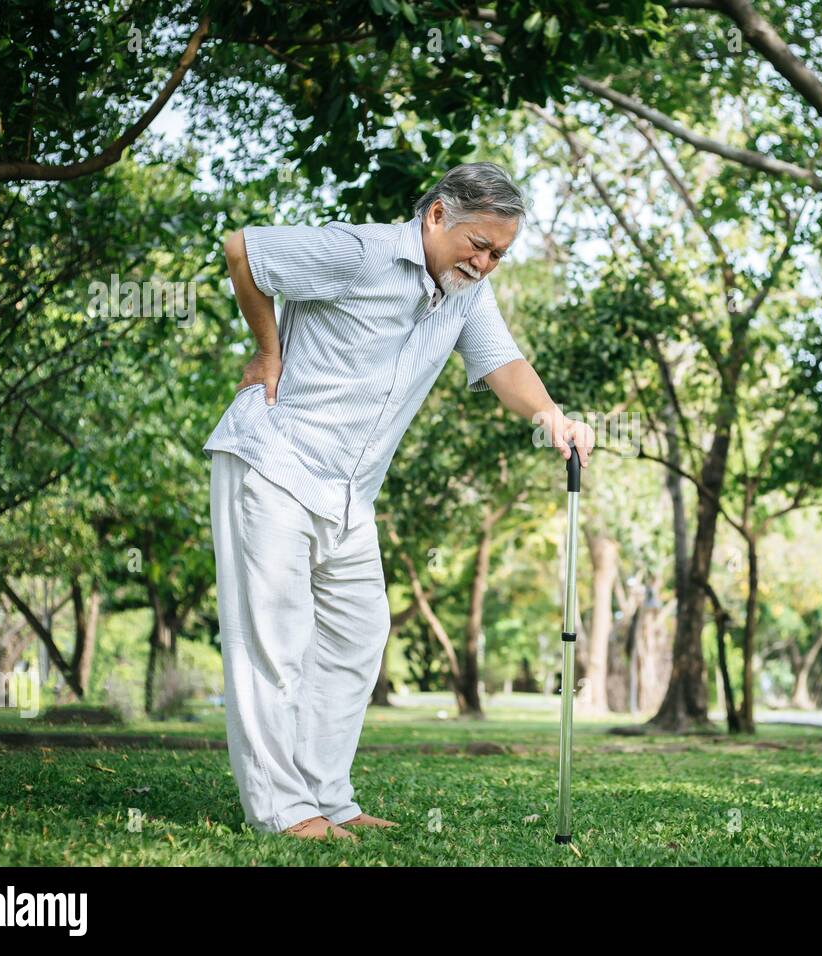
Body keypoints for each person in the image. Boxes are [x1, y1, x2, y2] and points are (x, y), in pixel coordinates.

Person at [202, 162, 595, 839]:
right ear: (437, 216)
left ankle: (328, 795)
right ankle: (282, 810)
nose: (487, 262)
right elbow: (245, 249)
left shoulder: (465, 294)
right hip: (274, 462)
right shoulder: (362, 252)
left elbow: (503, 362)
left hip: (351, 492)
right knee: (275, 641)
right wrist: (269, 352)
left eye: (501, 253)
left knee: (360, 633)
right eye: (479, 245)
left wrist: (551, 416)